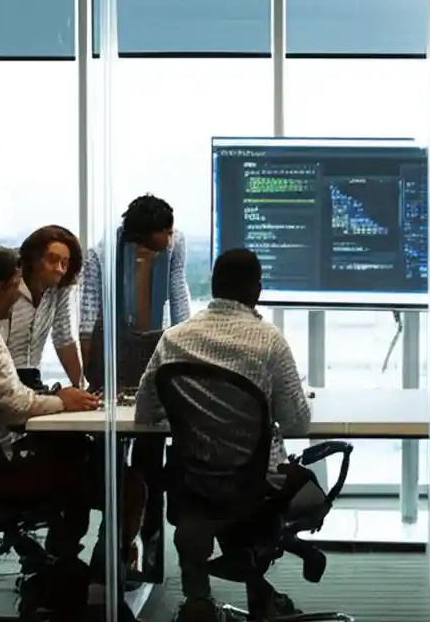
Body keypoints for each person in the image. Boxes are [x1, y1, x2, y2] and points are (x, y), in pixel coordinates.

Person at [0, 246, 147, 614]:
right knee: (126, 484)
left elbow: (8, 396)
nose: (18, 294)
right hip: (7, 466)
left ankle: (63, 572)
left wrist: (57, 396)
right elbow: (12, 406)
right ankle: (91, 582)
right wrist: (65, 402)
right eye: (14, 285)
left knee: (92, 462)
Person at [134, 248, 312, 622]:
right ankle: (257, 588)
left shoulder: (174, 339)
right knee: (282, 486)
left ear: (213, 287)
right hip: (257, 483)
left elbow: (145, 412)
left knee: (207, 509)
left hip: (193, 481)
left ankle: (198, 599)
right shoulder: (269, 341)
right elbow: (296, 423)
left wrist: (196, 412)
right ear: (256, 290)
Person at [79, 194, 192, 389]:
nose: (171, 237)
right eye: (167, 232)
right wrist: (88, 374)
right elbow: (88, 318)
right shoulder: (102, 254)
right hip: (116, 342)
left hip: (159, 339)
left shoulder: (176, 243)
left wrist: (185, 341)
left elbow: (178, 292)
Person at [0, 225, 83, 390]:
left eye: (64, 263)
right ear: (34, 259)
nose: (59, 269)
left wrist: (81, 387)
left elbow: (64, 337)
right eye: (52, 260)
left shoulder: (59, 288)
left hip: (32, 380)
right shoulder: (10, 284)